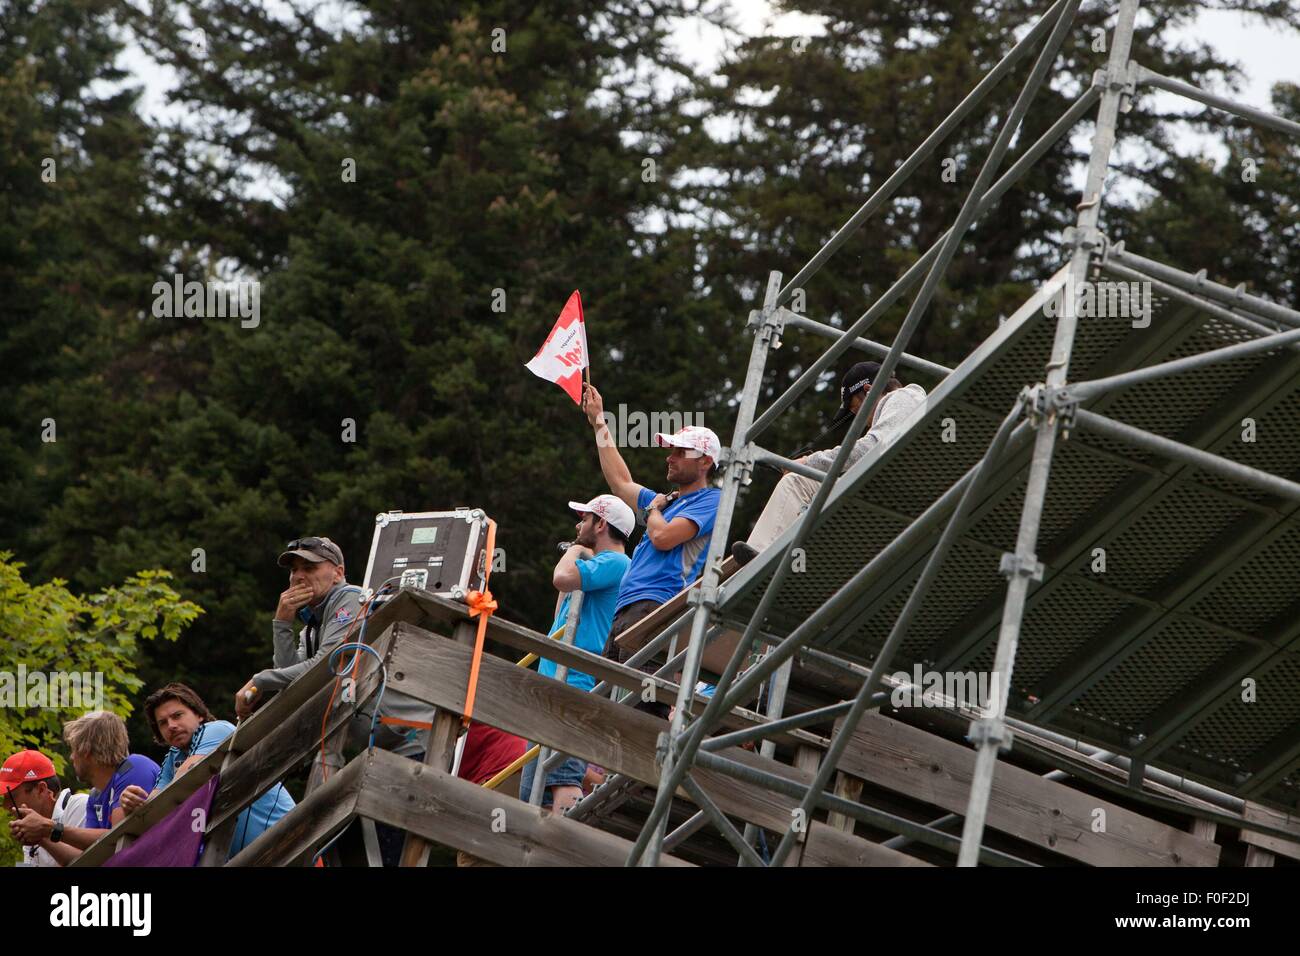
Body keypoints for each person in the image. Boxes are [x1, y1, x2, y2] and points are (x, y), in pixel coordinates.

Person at [580, 384, 723, 677]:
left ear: (705, 462)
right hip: (628, 609)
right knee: (606, 698)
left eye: (680, 452)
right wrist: (599, 423)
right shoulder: (667, 501)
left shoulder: (712, 499)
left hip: (656, 609)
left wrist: (653, 510)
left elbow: (663, 537)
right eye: (671, 451)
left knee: (641, 699)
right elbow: (620, 482)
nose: (670, 457)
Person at [732, 361, 927, 565]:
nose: (859, 418)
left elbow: (870, 448)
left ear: (869, 390)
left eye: (855, 408)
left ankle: (761, 558)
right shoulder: (899, 409)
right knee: (806, 491)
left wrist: (807, 462)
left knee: (798, 480)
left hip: (894, 492)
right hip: (888, 491)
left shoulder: (902, 397)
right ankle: (773, 557)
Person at [519, 494, 633, 814]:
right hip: (557, 681)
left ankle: (564, 841)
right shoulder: (597, 566)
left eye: (584, 519)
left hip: (574, 683)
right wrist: (580, 555)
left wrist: (573, 550)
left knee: (563, 778)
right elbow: (562, 607)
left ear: (601, 524)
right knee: (535, 793)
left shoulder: (616, 562)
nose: (577, 526)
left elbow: (560, 578)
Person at [118, 683, 295, 858]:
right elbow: (154, 805)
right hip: (252, 855)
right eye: (163, 723)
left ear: (199, 714)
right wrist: (132, 803)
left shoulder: (215, 729)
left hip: (288, 836)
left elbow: (187, 777)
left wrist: (151, 805)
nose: (171, 725)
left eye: (177, 716)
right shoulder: (173, 757)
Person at [236, 535, 364, 718]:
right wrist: (282, 623)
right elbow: (289, 681)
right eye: (294, 570)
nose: (297, 576)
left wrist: (260, 680)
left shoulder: (351, 598)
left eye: (309, 568)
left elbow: (326, 664)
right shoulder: (310, 630)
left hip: (388, 724)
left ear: (338, 574)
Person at [8, 712, 160, 856]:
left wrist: (50, 827)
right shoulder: (95, 795)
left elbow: (117, 838)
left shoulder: (135, 767)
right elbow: (87, 856)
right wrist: (41, 836)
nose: (71, 757)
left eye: (73, 749)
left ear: (85, 750)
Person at [2, 750, 88, 867]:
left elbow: (90, 861)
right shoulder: (30, 827)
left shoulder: (79, 806)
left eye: (11, 796)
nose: (5, 806)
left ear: (41, 790)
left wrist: (42, 837)